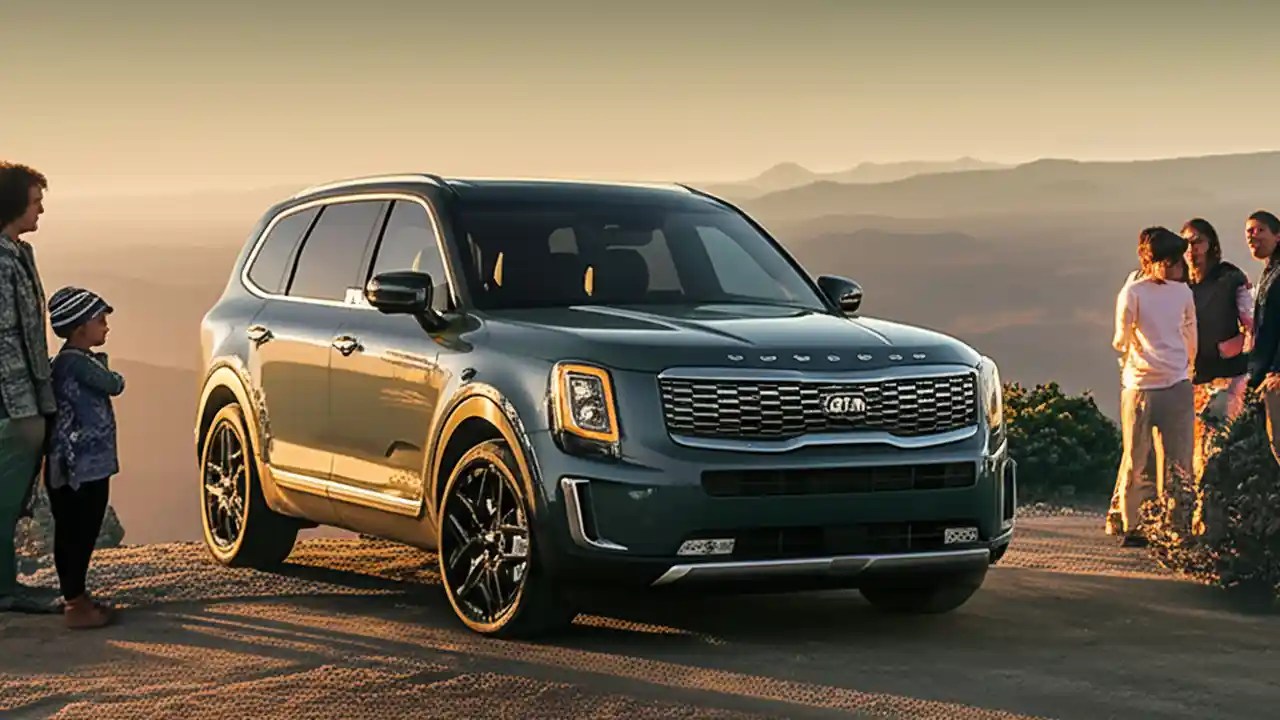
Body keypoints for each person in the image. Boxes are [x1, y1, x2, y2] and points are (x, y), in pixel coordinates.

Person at [1111, 227, 1197, 546]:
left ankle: (1136, 524)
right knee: (1178, 460)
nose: (1177, 267)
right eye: (1172, 260)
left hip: (1140, 383)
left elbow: (1121, 338)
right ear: (1155, 260)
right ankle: (1178, 525)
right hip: (1175, 382)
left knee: (1138, 458)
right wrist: (1188, 364)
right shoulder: (1182, 293)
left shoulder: (1132, 293)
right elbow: (1191, 336)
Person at [45, 286, 124, 629]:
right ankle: (75, 604)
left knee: (75, 530)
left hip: (78, 465)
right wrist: (110, 370)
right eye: (100, 320)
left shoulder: (69, 362)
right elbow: (114, 384)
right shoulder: (77, 364)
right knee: (80, 530)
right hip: (81, 467)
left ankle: (77, 597)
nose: (106, 326)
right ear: (80, 329)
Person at [0, 162, 59, 614]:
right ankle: (5, 589)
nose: (40, 209)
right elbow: (5, 339)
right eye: (35, 200)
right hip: (11, 404)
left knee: (12, 495)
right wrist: (24, 407)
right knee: (5, 497)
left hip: (26, 399)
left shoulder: (18, 253)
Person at [1182, 218, 1253, 470]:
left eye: (1198, 241)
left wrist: (1233, 346)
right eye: (1186, 243)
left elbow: (1252, 320)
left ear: (1211, 244)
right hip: (1191, 377)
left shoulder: (1229, 276)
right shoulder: (1179, 282)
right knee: (1192, 449)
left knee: (1219, 445)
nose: (1192, 249)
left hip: (1228, 376)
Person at [1244, 210, 1280, 467]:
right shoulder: (1270, 271)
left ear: (1278, 236)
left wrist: (1277, 370)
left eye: (1260, 230)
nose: (1253, 236)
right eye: (1249, 231)